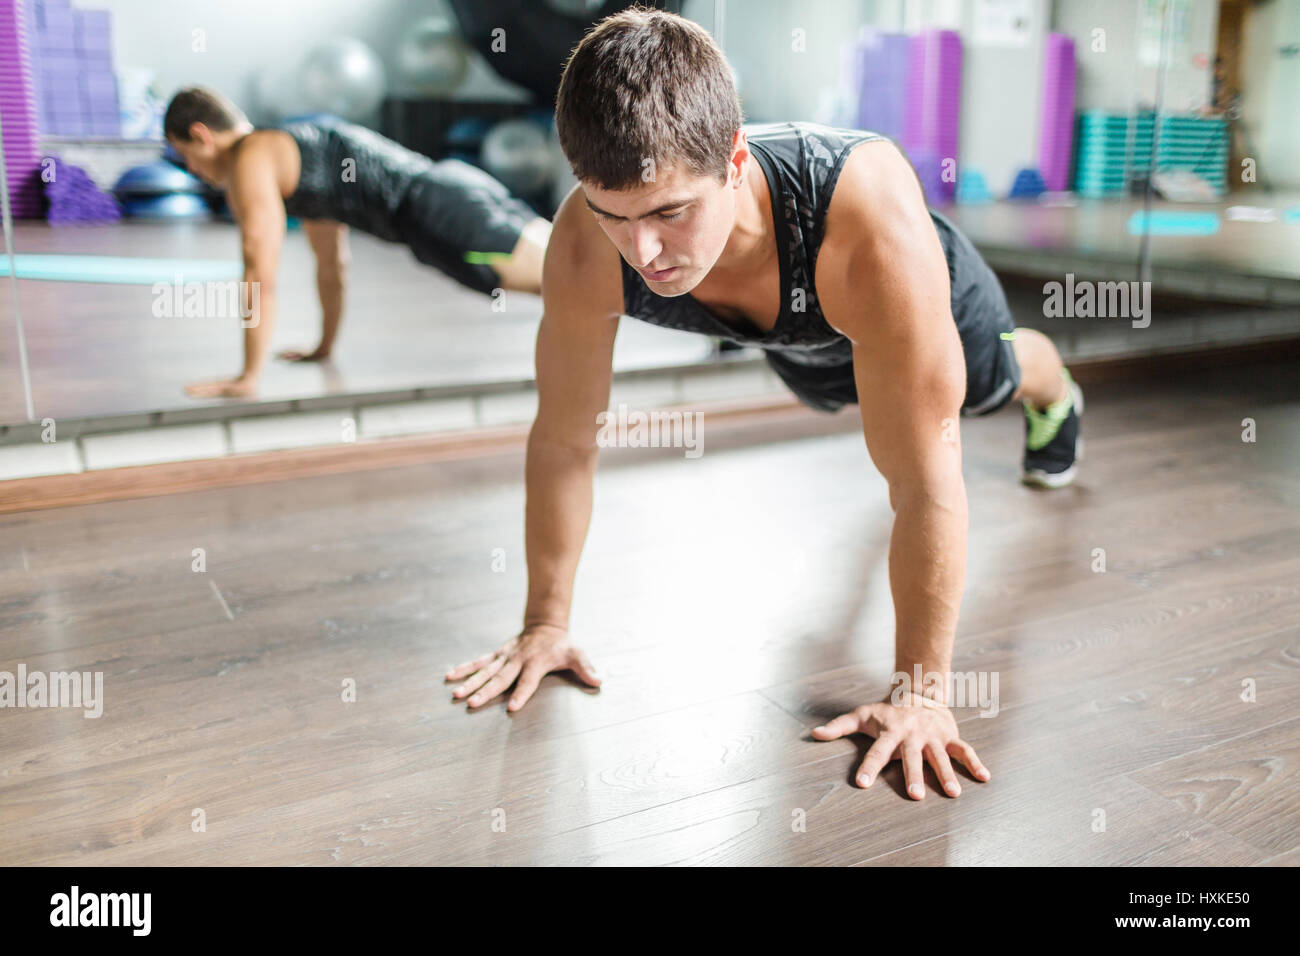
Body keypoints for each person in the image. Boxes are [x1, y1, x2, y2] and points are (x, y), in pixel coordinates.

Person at [445, 7, 1084, 800]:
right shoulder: (587, 241)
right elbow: (567, 439)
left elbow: (924, 483)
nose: (642, 254)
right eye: (614, 216)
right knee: (833, 396)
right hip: (801, 344)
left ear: (735, 161)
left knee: (993, 383)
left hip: (913, 302)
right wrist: (546, 622)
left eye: (668, 213)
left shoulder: (869, 221)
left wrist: (921, 695)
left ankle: (1056, 393)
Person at [162, 87, 551, 398]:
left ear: (201, 135)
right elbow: (332, 266)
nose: (193, 171)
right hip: (455, 190)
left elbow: (258, 274)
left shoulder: (252, 158)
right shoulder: (293, 156)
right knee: (582, 270)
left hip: (442, 213)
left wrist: (247, 378)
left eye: (186, 156)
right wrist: (323, 347)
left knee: (574, 283)